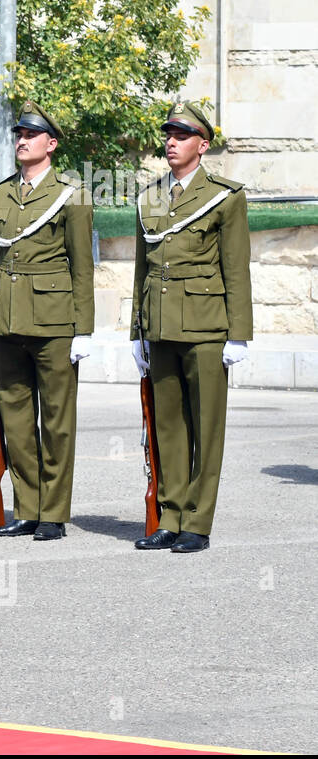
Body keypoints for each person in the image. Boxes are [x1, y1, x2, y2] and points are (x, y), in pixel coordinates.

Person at [131, 101, 251, 553]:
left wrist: (238, 333)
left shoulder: (225, 194)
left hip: (206, 326)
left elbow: (236, 269)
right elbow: (143, 269)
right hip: (160, 327)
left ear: (202, 146)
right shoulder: (150, 196)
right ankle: (171, 515)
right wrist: (136, 332)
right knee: (169, 428)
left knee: (206, 427)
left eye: (181, 136)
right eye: (168, 135)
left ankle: (197, 522)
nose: (171, 142)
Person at [0, 101, 94, 542]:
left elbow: (83, 266)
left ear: (52, 143)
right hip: (6, 320)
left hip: (54, 321)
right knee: (16, 421)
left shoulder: (72, 192)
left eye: (31, 135)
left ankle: (53, 512)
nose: (21, 141)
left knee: (57, 421)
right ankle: (27, 508)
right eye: (18, 134)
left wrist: (83, 328)